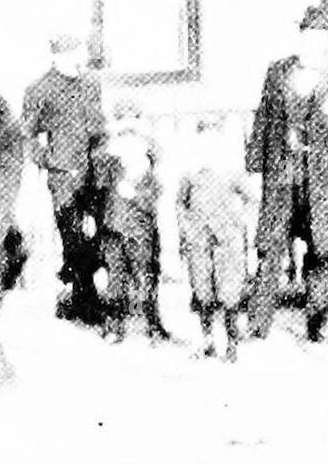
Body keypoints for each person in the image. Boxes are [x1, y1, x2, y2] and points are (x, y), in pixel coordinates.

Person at [246, 0, 328, 343]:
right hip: (281, 175)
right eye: (308, 35)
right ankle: (258, 324)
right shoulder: (277, 72)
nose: (313, 43)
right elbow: (263, 121)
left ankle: (316, 321)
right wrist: (254, 170)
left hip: (324, 180)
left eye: (322, 36)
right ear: (300, 38)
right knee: (270, 249)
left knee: (324, 250)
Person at [23, 33, 109, 326]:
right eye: (74, 52)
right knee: (72, 235)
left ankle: (73, 288)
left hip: (94, 173)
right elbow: (26, 136)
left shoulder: (90, 85)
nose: (79, 57)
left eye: (80, 51)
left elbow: (99, 128)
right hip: (64, 177)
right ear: (57, 56)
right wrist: (49, 160)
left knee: (100, 234)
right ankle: (86, 302)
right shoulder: (40, 89)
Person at [176, 115, 254, 362]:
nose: (207, 140)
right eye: (203, 133)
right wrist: (186, 229)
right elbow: (180, 202)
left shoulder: (231, 169)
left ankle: (231, 345)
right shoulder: (190, 173)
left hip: (226, 241)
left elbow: (251, 199)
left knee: (229, 292)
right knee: (202, 290)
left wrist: (238, 222)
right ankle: (207, 341)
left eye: (212, 133)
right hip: (198, 239)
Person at [95, 99, 171, 344]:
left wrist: (136, 195)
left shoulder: (147, 153)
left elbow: (157, 185)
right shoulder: (107, 155)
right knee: (116, 278)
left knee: (146, 276)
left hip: (141, 225)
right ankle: (114, 326)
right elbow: (97, 181)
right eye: (123, 120)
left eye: (133, 120)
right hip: (115, 225)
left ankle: (153, 326)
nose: (128, 127)